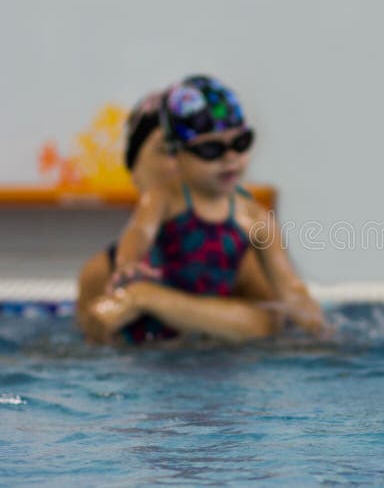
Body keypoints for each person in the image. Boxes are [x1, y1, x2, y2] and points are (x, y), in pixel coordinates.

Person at [79, 78, 324, 342]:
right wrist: (128, 263)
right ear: (177, 154)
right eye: (211, 149)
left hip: (207, 336)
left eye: (241, 143)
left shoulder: (254, 218)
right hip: (152, 334)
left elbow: (289, 288)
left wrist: (319, 329)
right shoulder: (166, 197)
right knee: (103, 317)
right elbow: (139, 231)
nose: (230, 158)